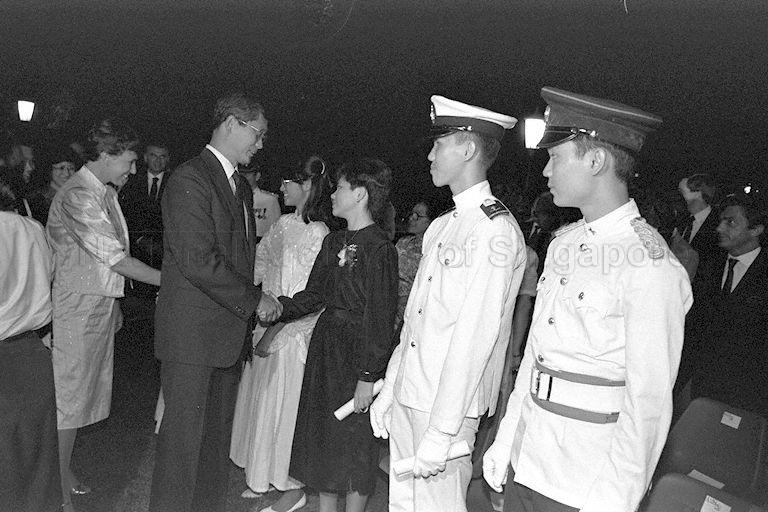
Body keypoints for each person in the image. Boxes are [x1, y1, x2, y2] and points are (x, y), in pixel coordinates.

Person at [483, 87, 693, 512]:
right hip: (528, 460)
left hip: (584, 482)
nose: (545, 171)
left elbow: (647, 401)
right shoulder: (564, 245)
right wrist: (505, 443)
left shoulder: (648, 266)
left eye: (556, 157)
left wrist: (616, 500)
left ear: (596, 161)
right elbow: (537, 355)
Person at [369, 95, 525, 512]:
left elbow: (475, 337)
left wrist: (443, 430)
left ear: (469, 149)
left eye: (440, 144)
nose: (430, 153)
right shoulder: (442, 225)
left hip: (447, 406)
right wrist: (391, 386)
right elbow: (416, 321)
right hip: (412, 391)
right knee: (403, 505)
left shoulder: (495, 231)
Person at [149, 93, 281, 512]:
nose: (259, 145)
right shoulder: (190, 178)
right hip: (191, 340)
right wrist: (255, 298)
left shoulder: (240, 186)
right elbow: (197, 261)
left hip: (226, 337)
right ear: (231, 124)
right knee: (181, 449)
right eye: (257, 134)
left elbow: (239, 258)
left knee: (213, 447)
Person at [46, 119, 162, 512]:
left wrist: (113, 307)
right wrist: (171, 281)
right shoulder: (77, 194)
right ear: (107, 155)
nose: (133, 169)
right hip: (74, 311)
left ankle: (63, 472)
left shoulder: (104, 193)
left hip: (95, 308)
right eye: (129, 161)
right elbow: (115, 258)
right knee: (69, 400)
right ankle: (57, 484)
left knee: (81, 400)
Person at [276, 158, 398, 512]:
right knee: (325, 438)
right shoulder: (333, 242)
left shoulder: (380, 248)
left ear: (360, 194)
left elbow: (381, 316)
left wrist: (367, 376)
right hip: (327, 349)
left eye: (339, 187)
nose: (332, 193)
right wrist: (274, 307)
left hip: (357, 353)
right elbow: (314, 295)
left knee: (355, 443)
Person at [229, 155, 332, 511]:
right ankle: (262, 476)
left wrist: (276, 331)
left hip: (290, 335)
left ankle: (291, 486)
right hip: (265, 323)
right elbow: (258, 264)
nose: (281, 188)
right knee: (263, 403)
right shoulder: (284, 223)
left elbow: (309, 297)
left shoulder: (318, 233)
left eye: (288, 182)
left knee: (283, 407)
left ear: (307, 186)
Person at [0, 180, 61, 512]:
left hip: (4, 359)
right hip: (33, 354)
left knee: (6, 468)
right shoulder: (34, 229)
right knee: (38, 464)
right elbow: (50, 275)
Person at [690, 192, 768, 416]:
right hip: (701, 392)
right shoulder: (709, 265)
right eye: (721, 220)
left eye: (730, 222)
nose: (719, 228)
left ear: (756, 229)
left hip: (747, 401)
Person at [393, 198, 436, 330]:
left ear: (431, 221)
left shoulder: (433, 250)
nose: (411, 218)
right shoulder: (403, 243)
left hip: (413, 314)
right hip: (390, 305)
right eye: (412, 214)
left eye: (418, 216)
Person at [26, 147, 79, 225]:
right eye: (61, 168)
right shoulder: (37, 200)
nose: (67, 173)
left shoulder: (78, 196)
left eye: (71, 168)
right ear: (49, 170)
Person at [243, 165, 281, 242]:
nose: (244, 178)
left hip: (262, 243)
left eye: (247, 175)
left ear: (257, 176)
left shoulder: (269, 200)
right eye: (242, 174)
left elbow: (276, 228)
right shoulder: (238, 198)